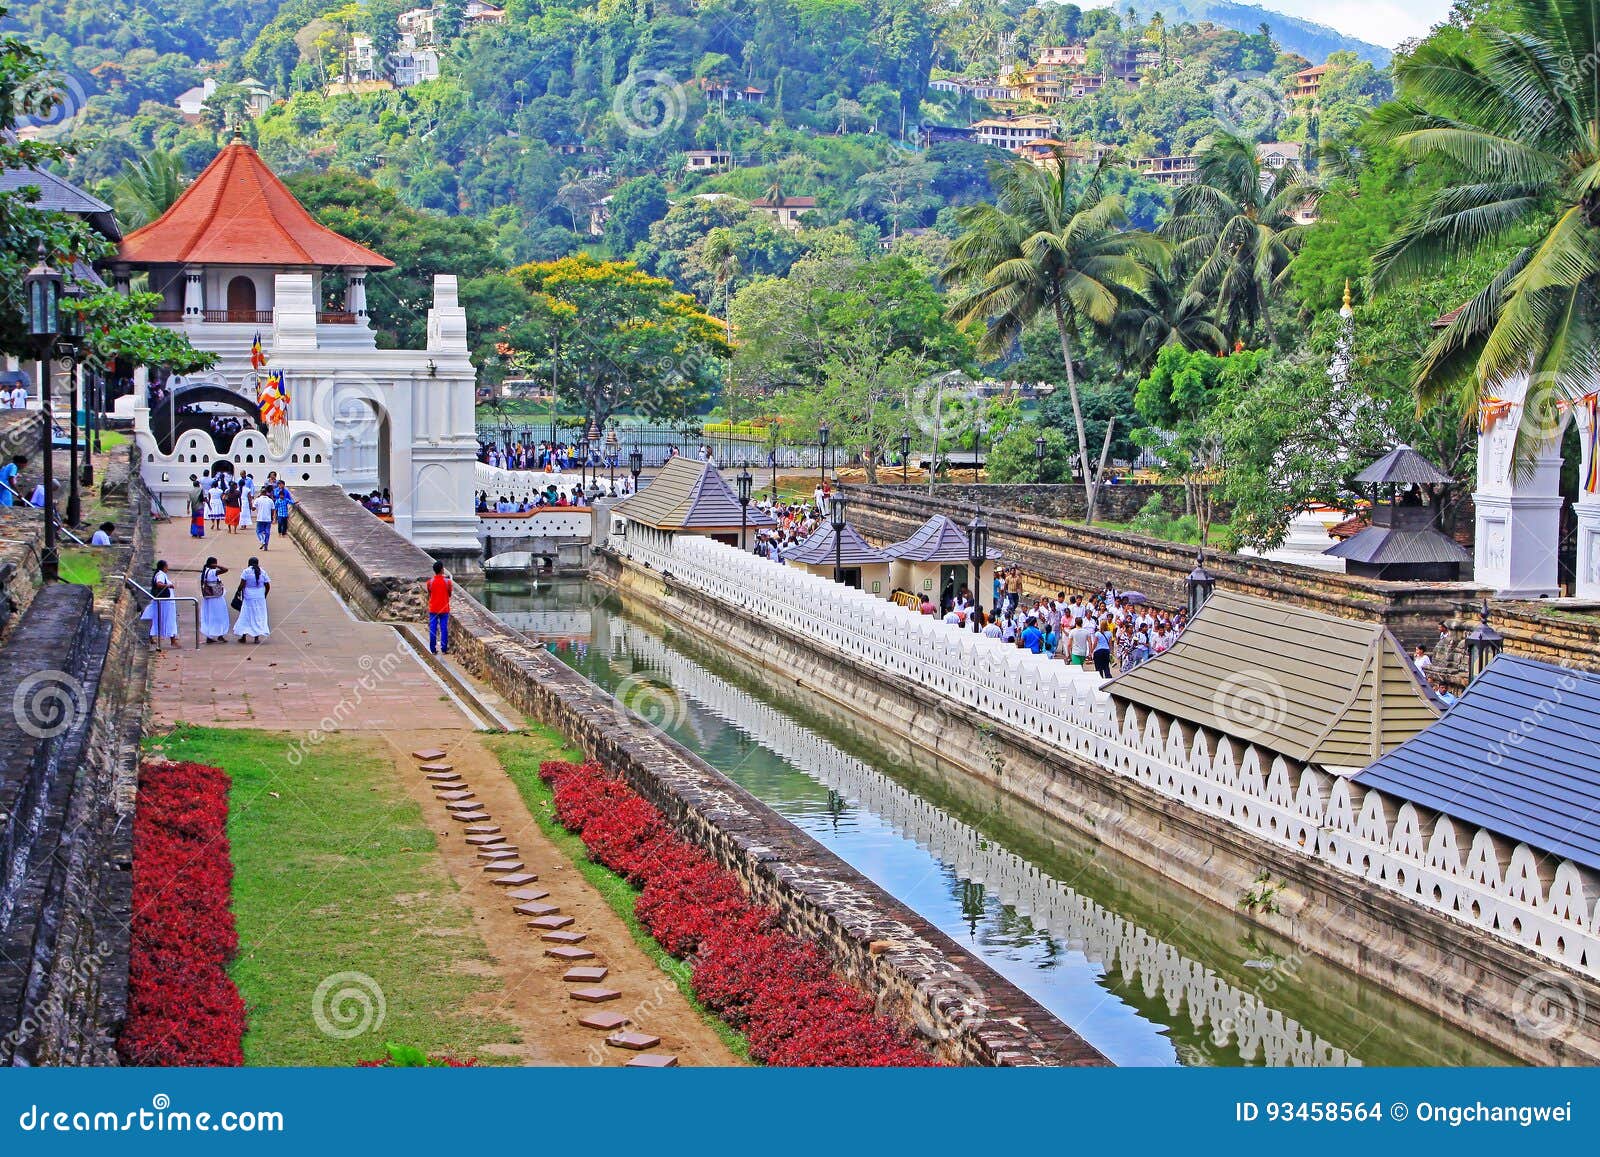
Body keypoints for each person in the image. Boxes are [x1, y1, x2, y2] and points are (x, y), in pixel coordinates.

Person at [141, 559, 180, 647]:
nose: (168, 568)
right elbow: (159, 584)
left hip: (165, 602)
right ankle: (173, 641)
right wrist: (168, 585)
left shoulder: (162, 575)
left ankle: (152, 637)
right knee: (169, 620)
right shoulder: (160, 575)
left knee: (158, 618)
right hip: (164, 602)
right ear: (164, 567)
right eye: (166, 567)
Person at [232, 557, 271, 643]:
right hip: (260, 597)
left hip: (248, 597)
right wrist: (264, 595)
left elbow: (242, 584)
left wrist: (238, 591)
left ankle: (243, 636)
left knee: (246, 615)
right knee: (258, 616)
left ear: (249, 563)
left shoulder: (246, 571)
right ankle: (256, 638)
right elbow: (268, 586)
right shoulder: (263, 572)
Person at [198, 556, 230, 643]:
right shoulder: (212, 571)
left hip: (208, 597)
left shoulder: (204, 572)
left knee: (210, 616)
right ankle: (220, 635)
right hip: (216, 597)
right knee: (220, 615)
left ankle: (210, 636)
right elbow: (225, 569)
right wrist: (217, 565)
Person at [426, 560, 453, 654]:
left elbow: (430, 593)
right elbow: (449, 594)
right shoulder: (448, 582)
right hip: (444, 608)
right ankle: (444, 648)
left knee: (433, 629)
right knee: (443, 628)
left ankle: (433, 649)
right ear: (442, 569)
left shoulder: (430, 582)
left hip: (433, 608)